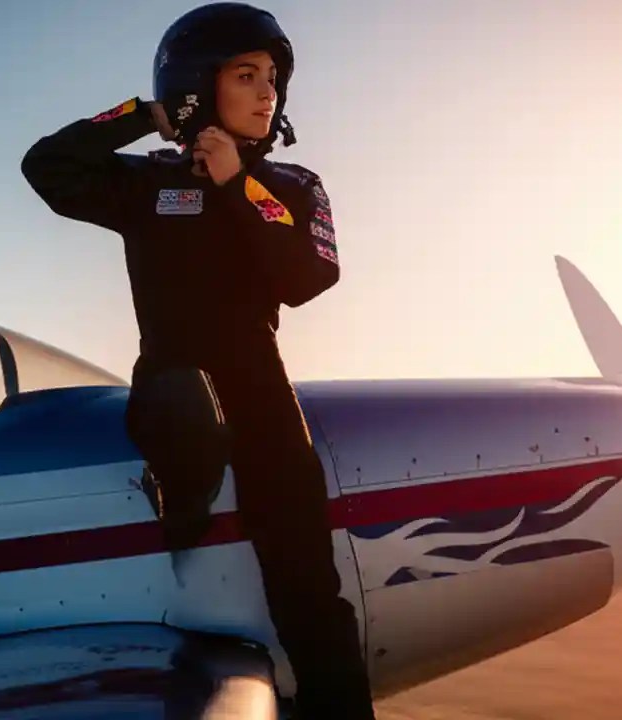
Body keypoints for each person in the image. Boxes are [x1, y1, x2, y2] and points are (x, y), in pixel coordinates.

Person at [20, 4, 375, 718]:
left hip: (263, 404)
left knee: (313, 596)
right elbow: (46, 166)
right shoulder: (148, 184)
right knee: (182, 420)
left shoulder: (294, 185)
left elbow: (309, 276)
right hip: (171, 398)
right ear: (196, 84)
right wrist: (144, 115)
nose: (268, 91)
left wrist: (235, 182)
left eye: (271, 76)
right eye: (245, 75)